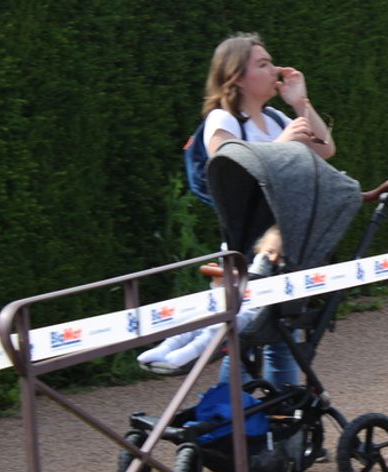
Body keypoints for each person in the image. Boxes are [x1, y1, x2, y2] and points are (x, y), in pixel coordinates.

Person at [203, 33, 335, 385]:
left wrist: (300, 103)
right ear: (236, 77)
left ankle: (280, 430)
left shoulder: (277, 117)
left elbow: (325, 150)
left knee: (281, 337)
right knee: (245, 341)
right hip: (247, 252)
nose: (274, 68)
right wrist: (283, 145)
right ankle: (231, 423)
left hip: (284, 249)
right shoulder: (223, 121)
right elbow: (228, 172)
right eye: (262, 64)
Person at [138, 226, 284, 374]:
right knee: (193, 321)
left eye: (281, 257)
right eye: (269, 252)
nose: (272, 259)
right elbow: (222, 293)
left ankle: (188, 353)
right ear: (259, 250)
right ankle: (165, 348)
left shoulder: (279, 277)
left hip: (251, 314)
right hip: (226, 305)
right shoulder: (245, 269)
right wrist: (218, 283)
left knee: (220, 326)